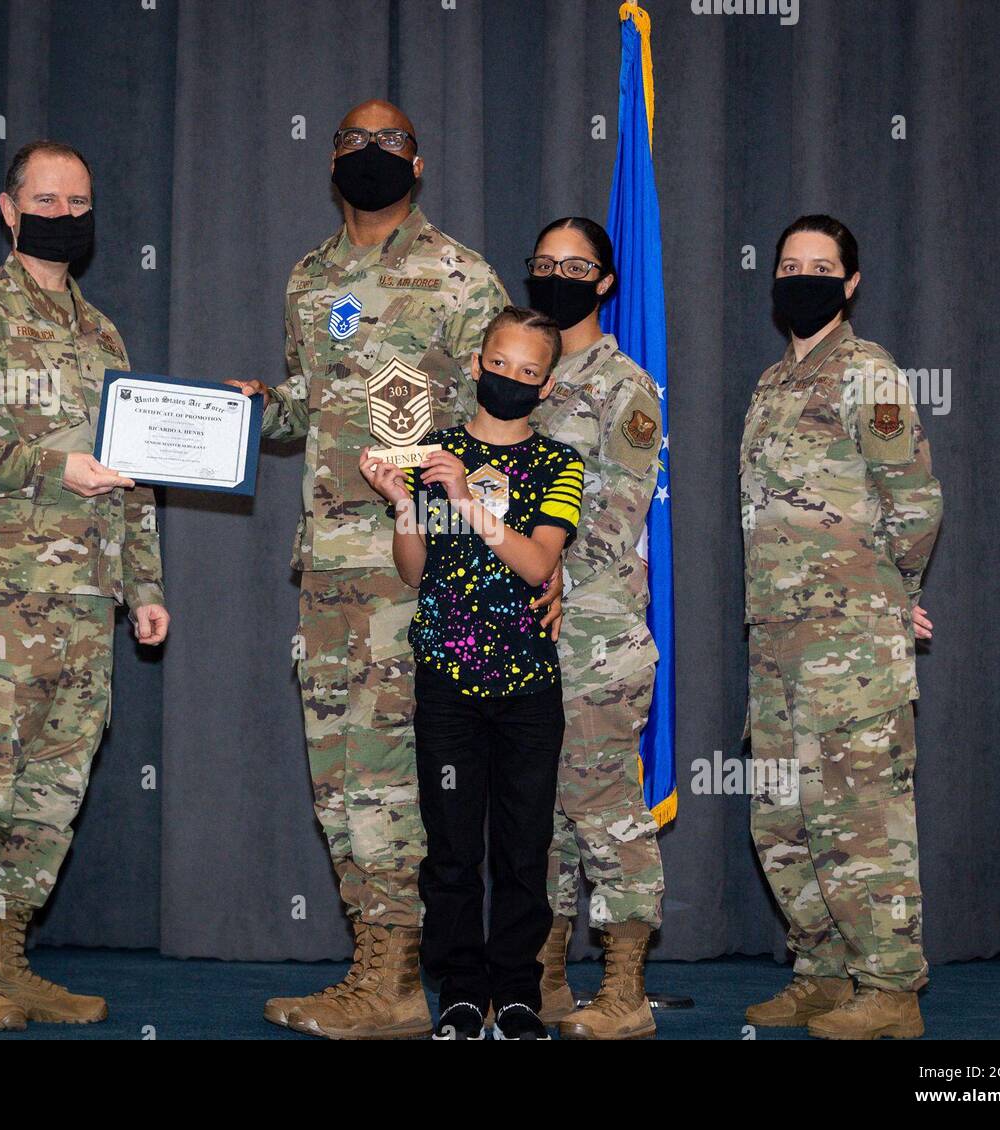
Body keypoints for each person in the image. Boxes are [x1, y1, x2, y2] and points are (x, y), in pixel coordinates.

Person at [226, 100, 507, 1039]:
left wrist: (475, 548)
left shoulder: (463, 275)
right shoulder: (310, 276)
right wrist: (249, 412)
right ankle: (369, 966)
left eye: (389, 143)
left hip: (409, 566)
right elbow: (308, 405)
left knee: (386, 773)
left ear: (418, 164)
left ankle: (394, 984)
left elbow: (496, 423)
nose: (371, 156)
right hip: (326, 569)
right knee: (339, 775)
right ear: (331, 162)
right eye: (354, 142)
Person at [0, 140, 168, 1031]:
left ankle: (9, 960)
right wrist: (57, 473)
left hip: (86, 608)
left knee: (52, 793)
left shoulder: (105, 336)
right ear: (10, 210)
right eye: (46, 200)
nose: (64, 214)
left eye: (79, 200)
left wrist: (146, 587)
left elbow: (134, 475)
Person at [741, 214, 942, 1040]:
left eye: (820, 266)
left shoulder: (871, 373)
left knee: (861, 819)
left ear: (850, 282)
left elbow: (917, 501)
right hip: (777, 643)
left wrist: (891, 597)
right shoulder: (769, 385)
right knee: (782, 815)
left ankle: (891, 990)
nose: (802, 276)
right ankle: (822, 972)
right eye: (789, 264)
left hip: (851, 643)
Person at [360, 306, 584, 1040]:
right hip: (449, 681)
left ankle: (517, 993)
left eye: (527, 372)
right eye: (500, 365)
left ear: (546, 385)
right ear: (478, 363)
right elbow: (415, 571)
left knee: (523, 848)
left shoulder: (558, 464)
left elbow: (538, 562)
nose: (510, 380)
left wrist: (466, 500)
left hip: (526, 685)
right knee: (451, 846)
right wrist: (404, 504)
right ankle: (458, 989)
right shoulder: (436, 452)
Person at [522, 217, 666, 1039]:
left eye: (577, 266)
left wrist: (545, 573)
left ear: (606, 283)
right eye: (544, 265)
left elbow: (616, 514)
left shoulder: (623, 387)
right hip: (522, 628)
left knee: (601, 806)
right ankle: (542, 976)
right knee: (536, 813)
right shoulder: (518, 374)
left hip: (594, 630)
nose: (559, 276)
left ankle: (625, 987)